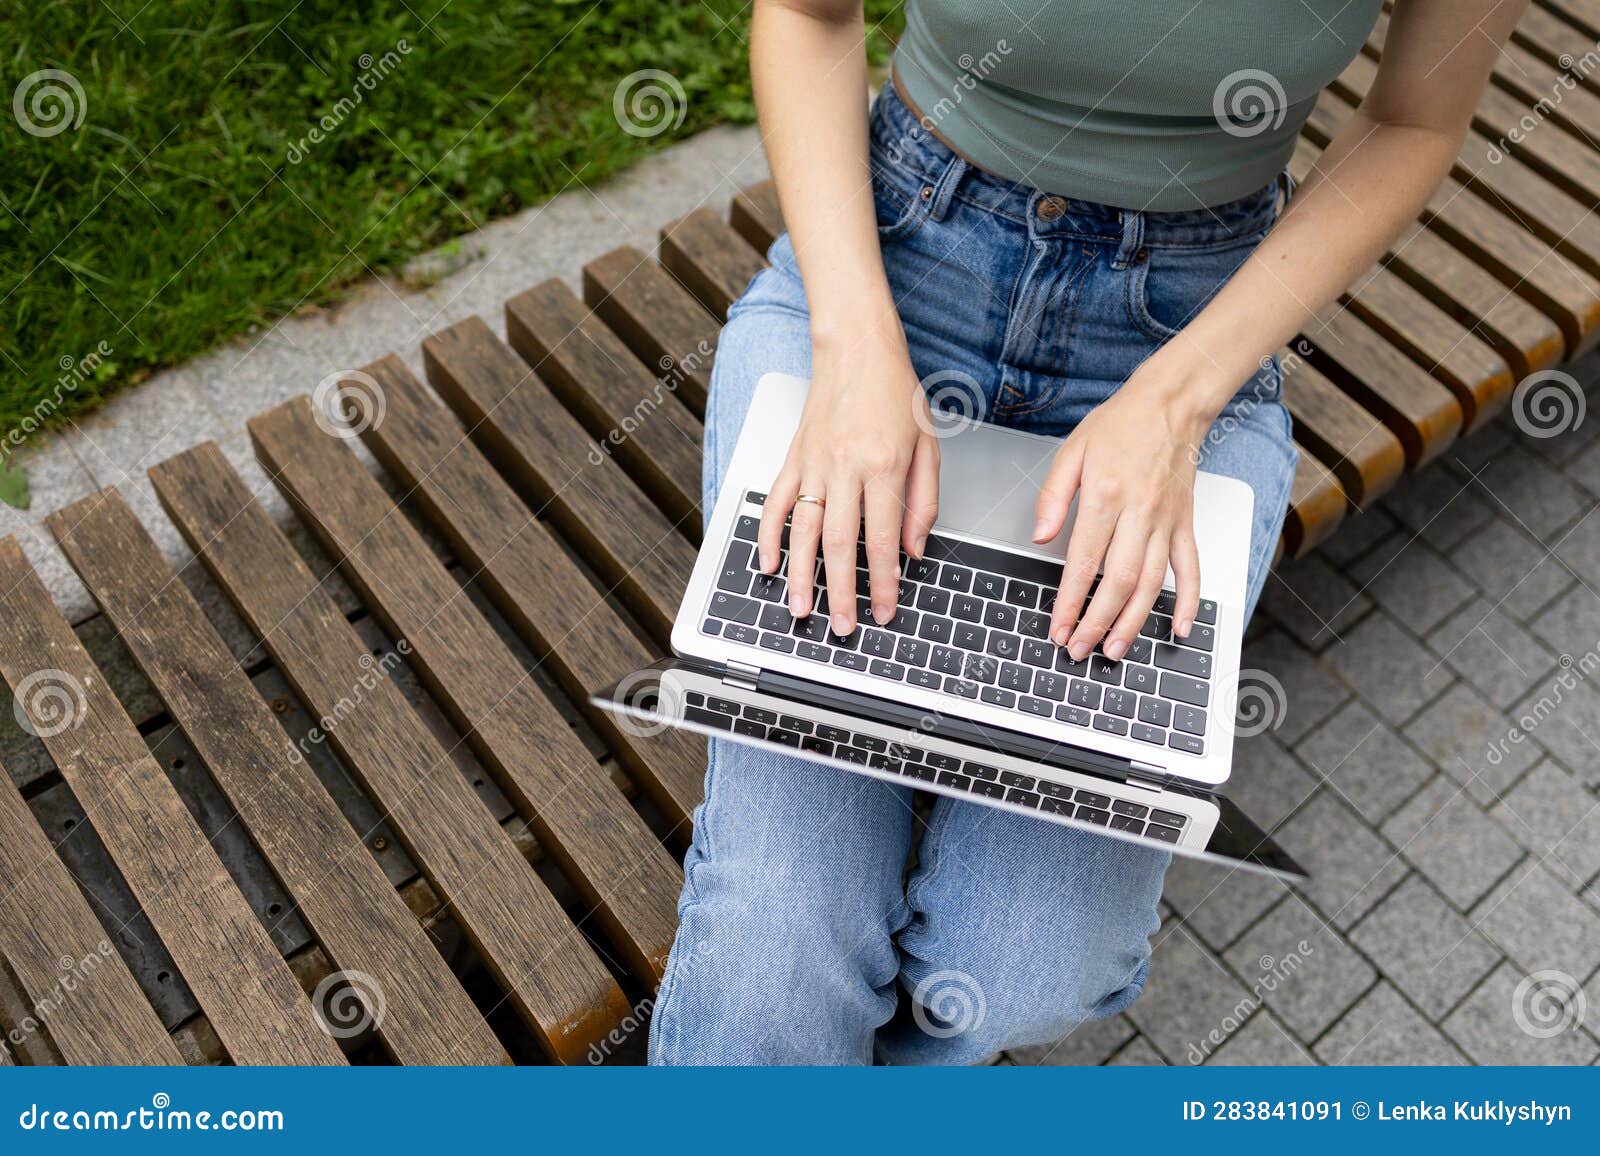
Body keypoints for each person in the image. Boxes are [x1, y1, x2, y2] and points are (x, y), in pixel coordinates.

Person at [648, 0, 1529, 1065]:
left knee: (1021, 972)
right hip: (887, 266)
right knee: (772, 953)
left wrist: (1175, 404)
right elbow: (804, 14)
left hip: (1187, 332)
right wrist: (854, 348)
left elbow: (1413, 123)